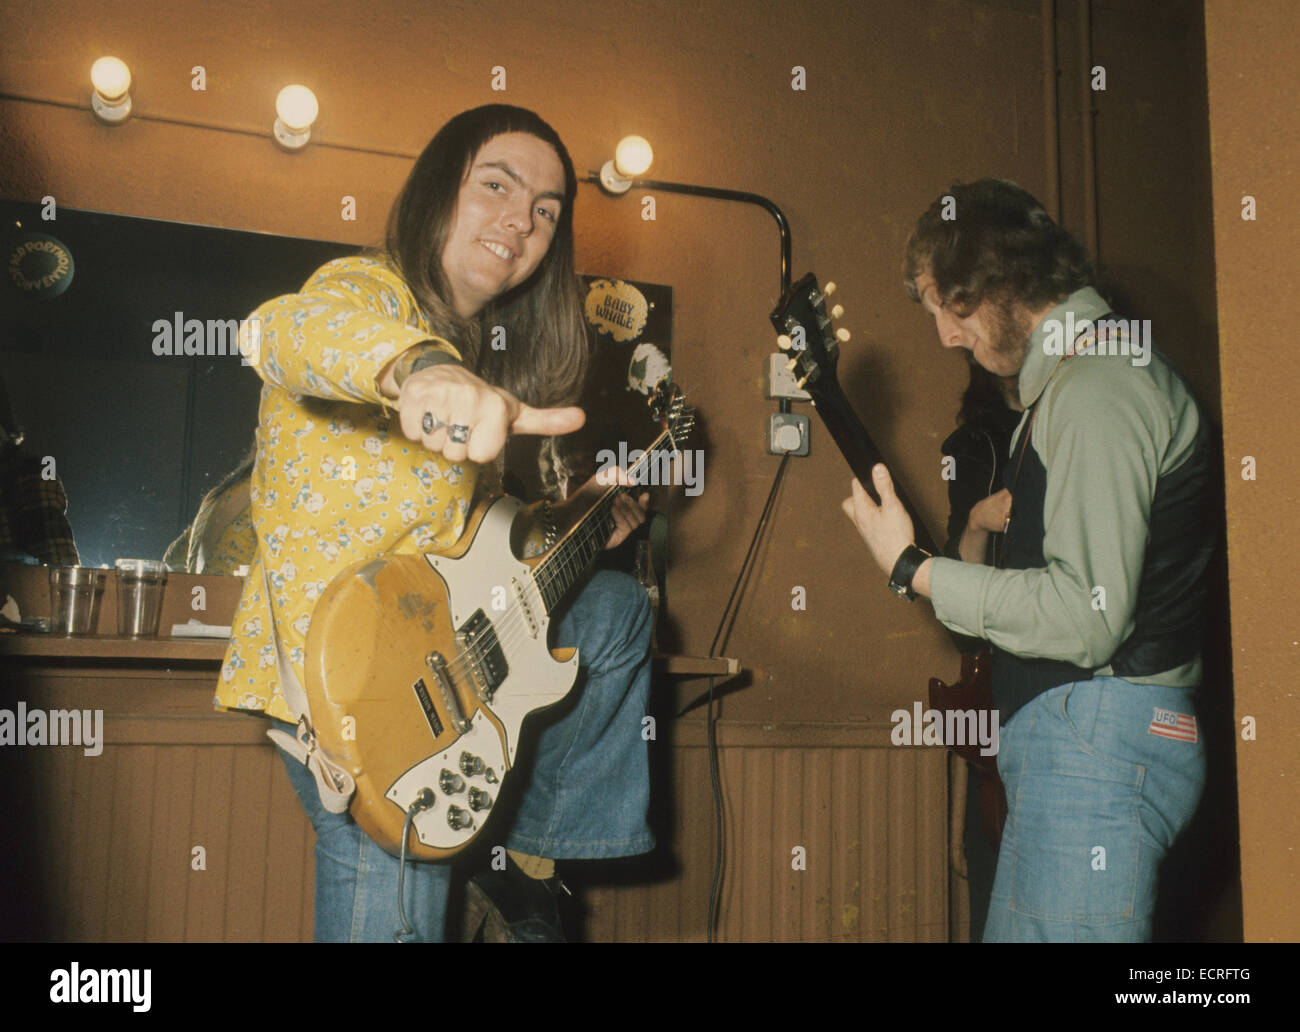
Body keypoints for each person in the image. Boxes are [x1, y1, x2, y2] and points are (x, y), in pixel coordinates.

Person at [218, 105, 654, 942]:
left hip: (450, 665)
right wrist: (418, 369)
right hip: (348, 682)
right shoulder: (361, 289)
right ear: (435, 193)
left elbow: (468, 549)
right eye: (497, 186)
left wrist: (568, 519)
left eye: (546, 210)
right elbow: (283, 331)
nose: (521, 222)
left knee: (613, 611)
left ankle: (529, 863)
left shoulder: (484, 364)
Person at [842, 178, 1216, 942]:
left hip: (1097, 740)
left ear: (1003, 280)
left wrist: (914, 568)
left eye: (950, 303)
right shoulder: (1067, 388)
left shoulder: (1097, 386)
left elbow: (1088, 617)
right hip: (1076, 740)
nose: (945, 335)